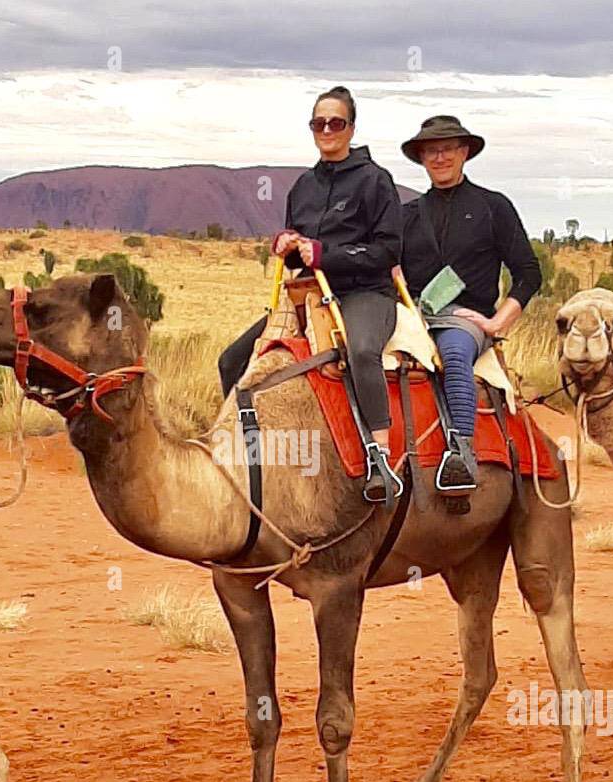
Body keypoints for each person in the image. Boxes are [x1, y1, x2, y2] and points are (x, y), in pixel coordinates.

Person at [218, 85, 404, 502]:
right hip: (308, 298)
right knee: (232, 360)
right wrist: (288, 243)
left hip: (366, 294)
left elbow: (388, 251)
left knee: (359, 353)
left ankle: (380, 457)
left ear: (351, 128)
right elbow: (301, 253)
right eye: (318, 123)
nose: (326, 130)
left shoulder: (376, 182)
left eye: (335, 122)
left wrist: (325, 253)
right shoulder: (303, 186)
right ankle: (248, 457)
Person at [399, 115, 541, 488]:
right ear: (421, 157)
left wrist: (496, 324)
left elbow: (528, 273)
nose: (440, 157)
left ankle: (461, 453)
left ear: (464, 152)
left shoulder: (494, 206)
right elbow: (389, 268)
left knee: (455, 352)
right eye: (431, 150)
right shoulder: (407, 215)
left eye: (447, 148)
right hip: (412, 317)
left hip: (465, 320)